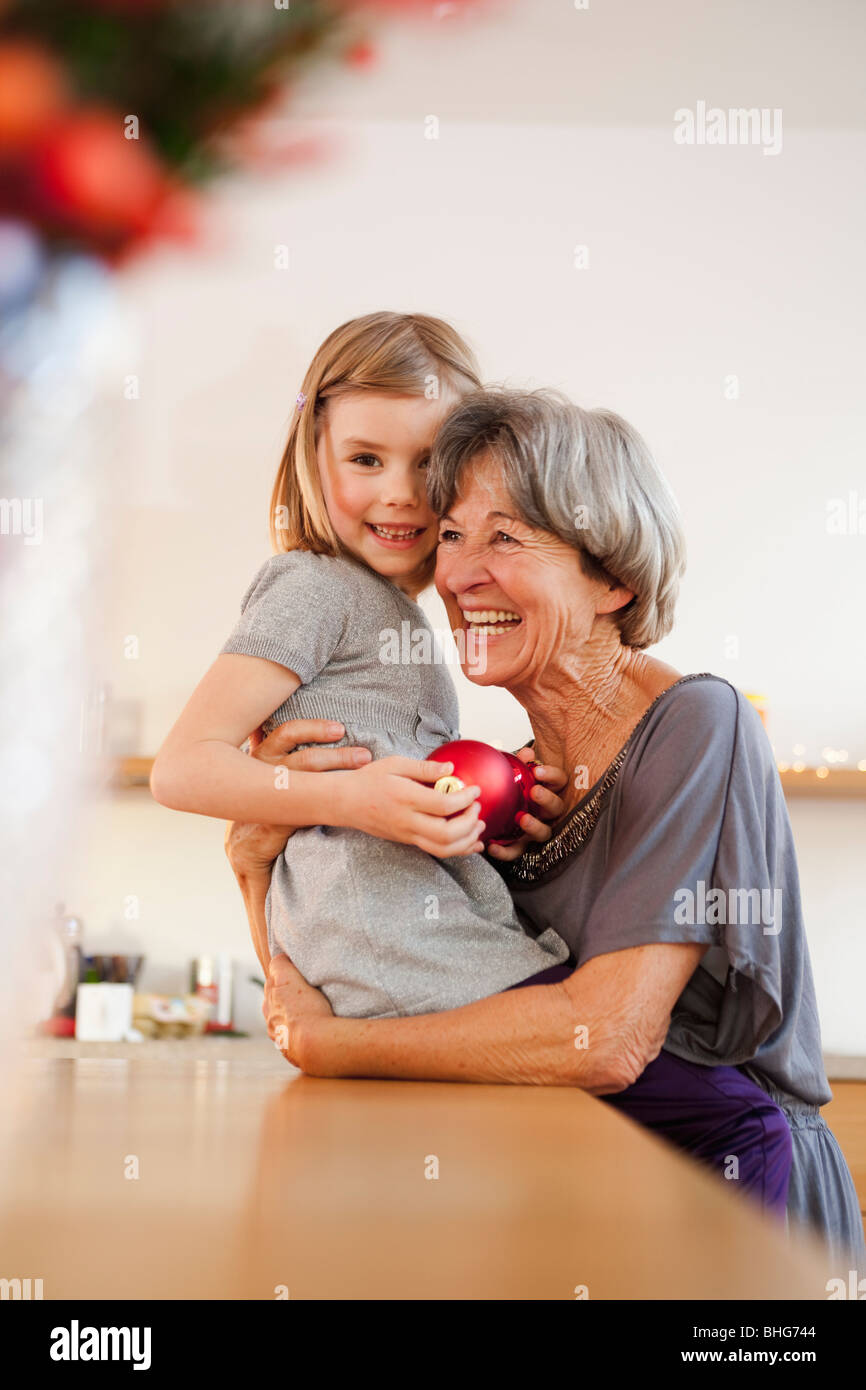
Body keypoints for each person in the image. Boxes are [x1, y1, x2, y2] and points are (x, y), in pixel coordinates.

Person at [228, 387, 864, 1260]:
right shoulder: (513, 782)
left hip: (736, 1201)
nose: (458, 575)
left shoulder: (696, 724)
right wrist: (261, 846)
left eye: (506, 536)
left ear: (614, 580)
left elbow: (604, 1039)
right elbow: (350, 976)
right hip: (584, 1192)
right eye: (452, 535)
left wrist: (336, 1050)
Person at [150, 312, 571, 1022]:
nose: (402, 492)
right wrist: (350, 801)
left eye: (430, 461)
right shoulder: (315, 587)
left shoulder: (388, 610)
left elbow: (376, 773)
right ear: (314, 458)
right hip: (405, 955)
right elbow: (182, 768)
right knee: (633, 1054)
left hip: (413, 943)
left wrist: (481, 806)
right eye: (365, 459)